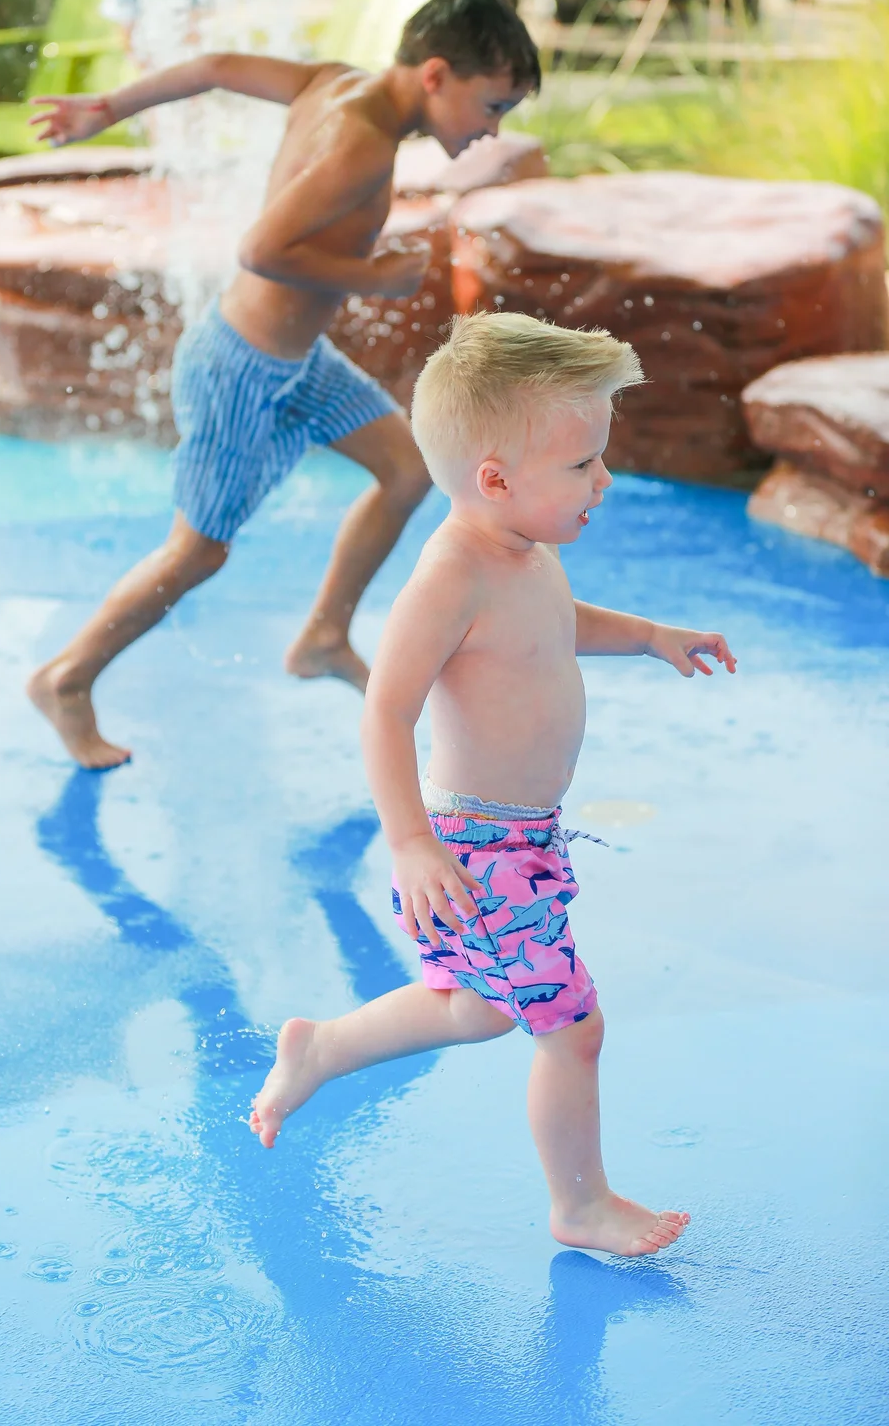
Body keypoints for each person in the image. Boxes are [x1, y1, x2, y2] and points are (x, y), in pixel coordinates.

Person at [250, 311, 738, 1257]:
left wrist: (649, 635)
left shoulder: (523, 549)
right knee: (572, 1029)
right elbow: (384, 712)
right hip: (474, 852)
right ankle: (579, 1205)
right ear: (496, 479)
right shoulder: (451, 576)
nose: (604, 479)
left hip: (519, 838)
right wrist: (410, 844)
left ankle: (322, 1048)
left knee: (475, 1006)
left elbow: (555, 621)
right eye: (583, 464)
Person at [25, 0, 541, 769]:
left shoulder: (335, 81)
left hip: (298, 362)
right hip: (241, 367)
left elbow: (213, 66)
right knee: (197, 553)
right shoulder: (363, 141)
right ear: (436, 75)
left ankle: (325, 635)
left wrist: (109, 106)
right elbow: (261, 251)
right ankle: (67, 677)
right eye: (492, 105)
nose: (492, 129)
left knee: (408, 471)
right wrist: (375, 277)